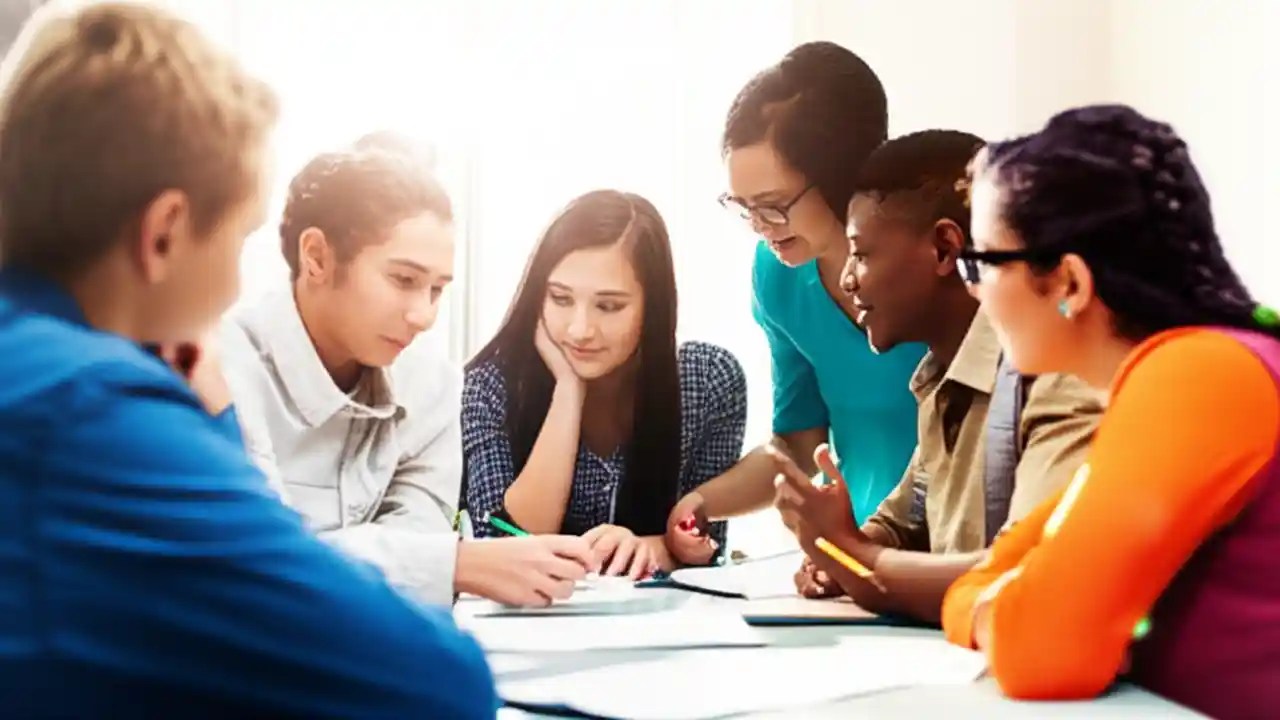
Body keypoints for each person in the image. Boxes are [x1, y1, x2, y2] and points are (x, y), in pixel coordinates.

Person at [0, 2, 494, 717]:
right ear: (165, 232)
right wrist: (213, 419)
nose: (238, 282)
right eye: (239, 238)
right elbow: (435, 685)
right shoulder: (93, 409)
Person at [941, 104, 1280, 718]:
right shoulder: (1189, 375)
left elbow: (1039, 649)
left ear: (1069, 283)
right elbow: (980, 581)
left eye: (983, 261)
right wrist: (991, 604)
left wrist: (1001, 610)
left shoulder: (1199, 376)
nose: (972, 289)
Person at [221, 141, 597, 608]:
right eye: (403, 280)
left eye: (437, 290)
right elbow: (259, 563)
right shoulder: (222, 368)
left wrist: (436, 563)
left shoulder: (431, 384)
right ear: (316, 256)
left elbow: (416, 550)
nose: (424, 315)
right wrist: (458, 564)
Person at [773, 130, 1102, 623]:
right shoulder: (941, 379)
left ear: (945, 250)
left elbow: (1028, 574)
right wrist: (836, 557)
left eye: (861, 254)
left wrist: (852, 557)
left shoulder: (1055, 376)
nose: (846, 279)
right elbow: (901, 527)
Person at [672, 41, 925, 537]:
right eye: (743, 207)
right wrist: (701, 503)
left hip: (955, 551)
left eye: (774, 205)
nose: (760, 227)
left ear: (840, 173)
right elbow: (798, 442)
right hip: (856, 557)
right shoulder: (778, 274)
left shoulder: (936, 267)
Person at [463, 190, 747, 578]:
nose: (580, 329)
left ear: (653, 306)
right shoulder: (491, 386)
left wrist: (652, 549)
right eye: (560, 299)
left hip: (658, 628)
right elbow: (504, 546)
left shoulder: (709, 379)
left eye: (609, 306)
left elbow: (706, 549)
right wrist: (568, 391)